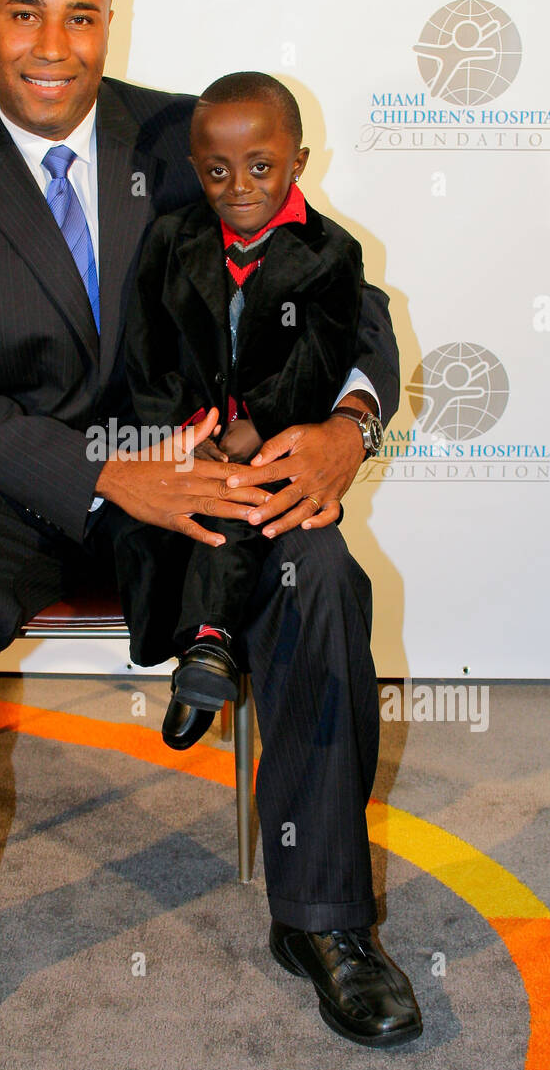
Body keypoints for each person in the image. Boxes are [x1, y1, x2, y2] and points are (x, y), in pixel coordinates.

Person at [0, 0, 422, 1055]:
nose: (54, 44)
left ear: (110, 25)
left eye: (80, 15)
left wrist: (349, 424)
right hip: (1, 483)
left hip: (196, 468)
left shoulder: (180, 135)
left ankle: (323, 917)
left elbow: (342, 293)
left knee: (318, 569)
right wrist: (108, 472)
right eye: (25, 14)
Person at [112, 71, 364, 749]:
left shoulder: (330, 253)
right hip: (188, 441)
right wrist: (182, 434)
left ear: (298, 163)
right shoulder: (170, 238)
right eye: (217, 170)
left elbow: (322, 355)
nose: (239, 186)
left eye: (260, 167)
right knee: (196, 506)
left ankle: (206, 648)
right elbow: (146, 344)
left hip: (273, 443)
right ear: (196, 168)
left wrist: (263, 426)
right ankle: (204, 645)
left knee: (249, 502)